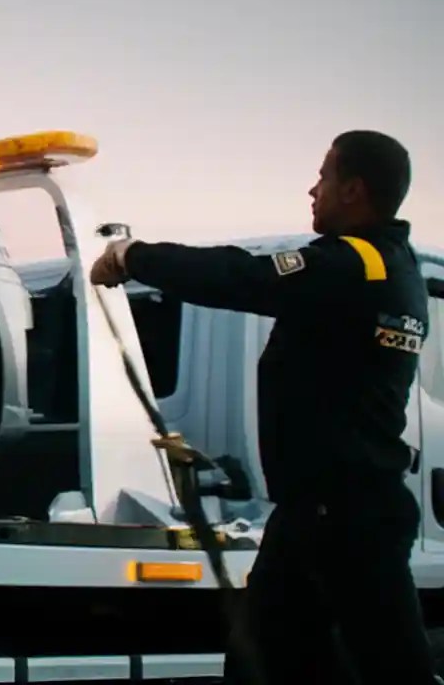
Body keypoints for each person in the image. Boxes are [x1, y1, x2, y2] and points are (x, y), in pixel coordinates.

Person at [90, 130, 440, 684]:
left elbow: (242, 276)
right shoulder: (396, 272)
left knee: (387, 671)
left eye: (323, 175)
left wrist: (135, 256)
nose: (313, 188)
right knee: (270, 662)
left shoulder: (355, 264)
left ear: (352, 190)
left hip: (346, 516)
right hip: (322, 514)